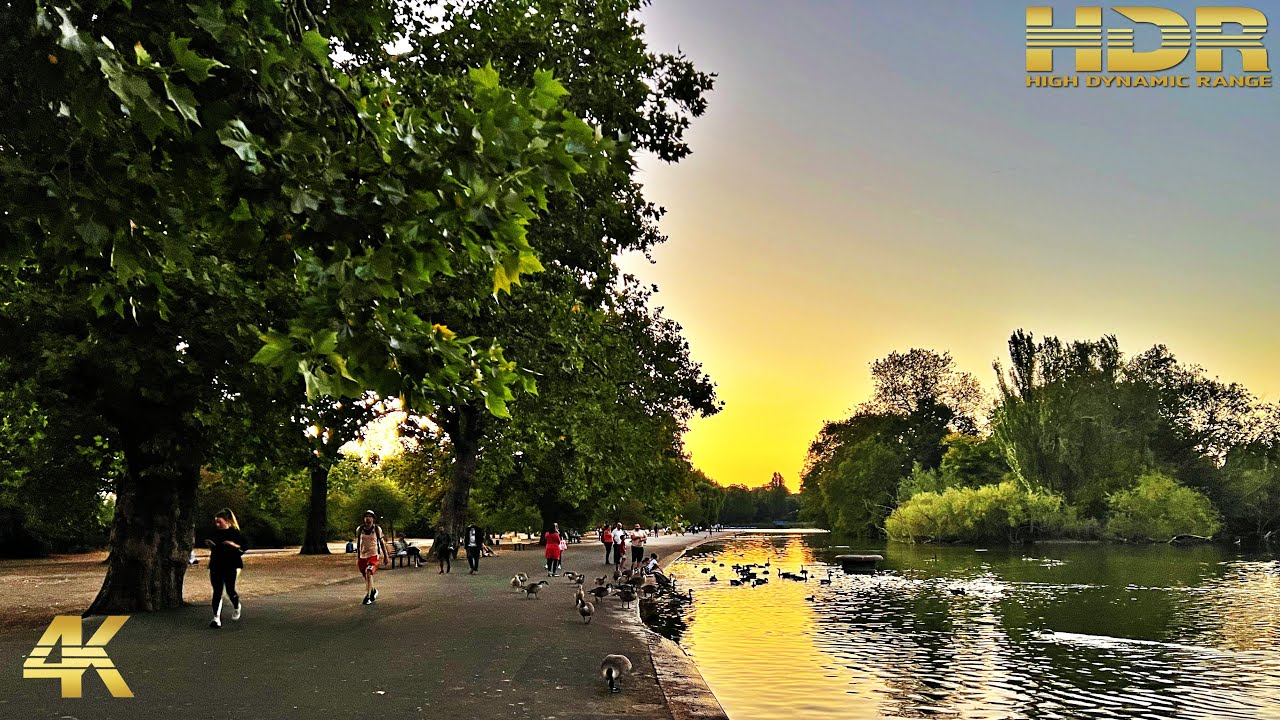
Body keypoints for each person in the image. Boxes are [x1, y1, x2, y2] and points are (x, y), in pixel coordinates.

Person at [207, 508, 247, 628]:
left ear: (227, 521)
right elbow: (215, 547)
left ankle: (236, 606)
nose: (217, 524)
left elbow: (243, 549)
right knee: (217, 591)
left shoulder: (236, 533)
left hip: (231, 564)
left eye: (220, 522)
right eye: (216, 522)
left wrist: (233, 545)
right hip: (216, 564)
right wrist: (211, 545)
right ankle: (216, 618)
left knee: (230, 590)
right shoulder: (214, 533)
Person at [354, 510, 389, 605]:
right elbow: (358, 543)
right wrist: (358, 555)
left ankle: (368, 596)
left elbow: (382, 543)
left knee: (368, 572)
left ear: (373, 518)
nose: (368, 518)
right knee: (366, 576)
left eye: (370, 516)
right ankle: (373, 590)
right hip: (362, 555)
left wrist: (386, 556)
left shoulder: (377, 529)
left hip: (373, 555)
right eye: (366, 516)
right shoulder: (360, 529)